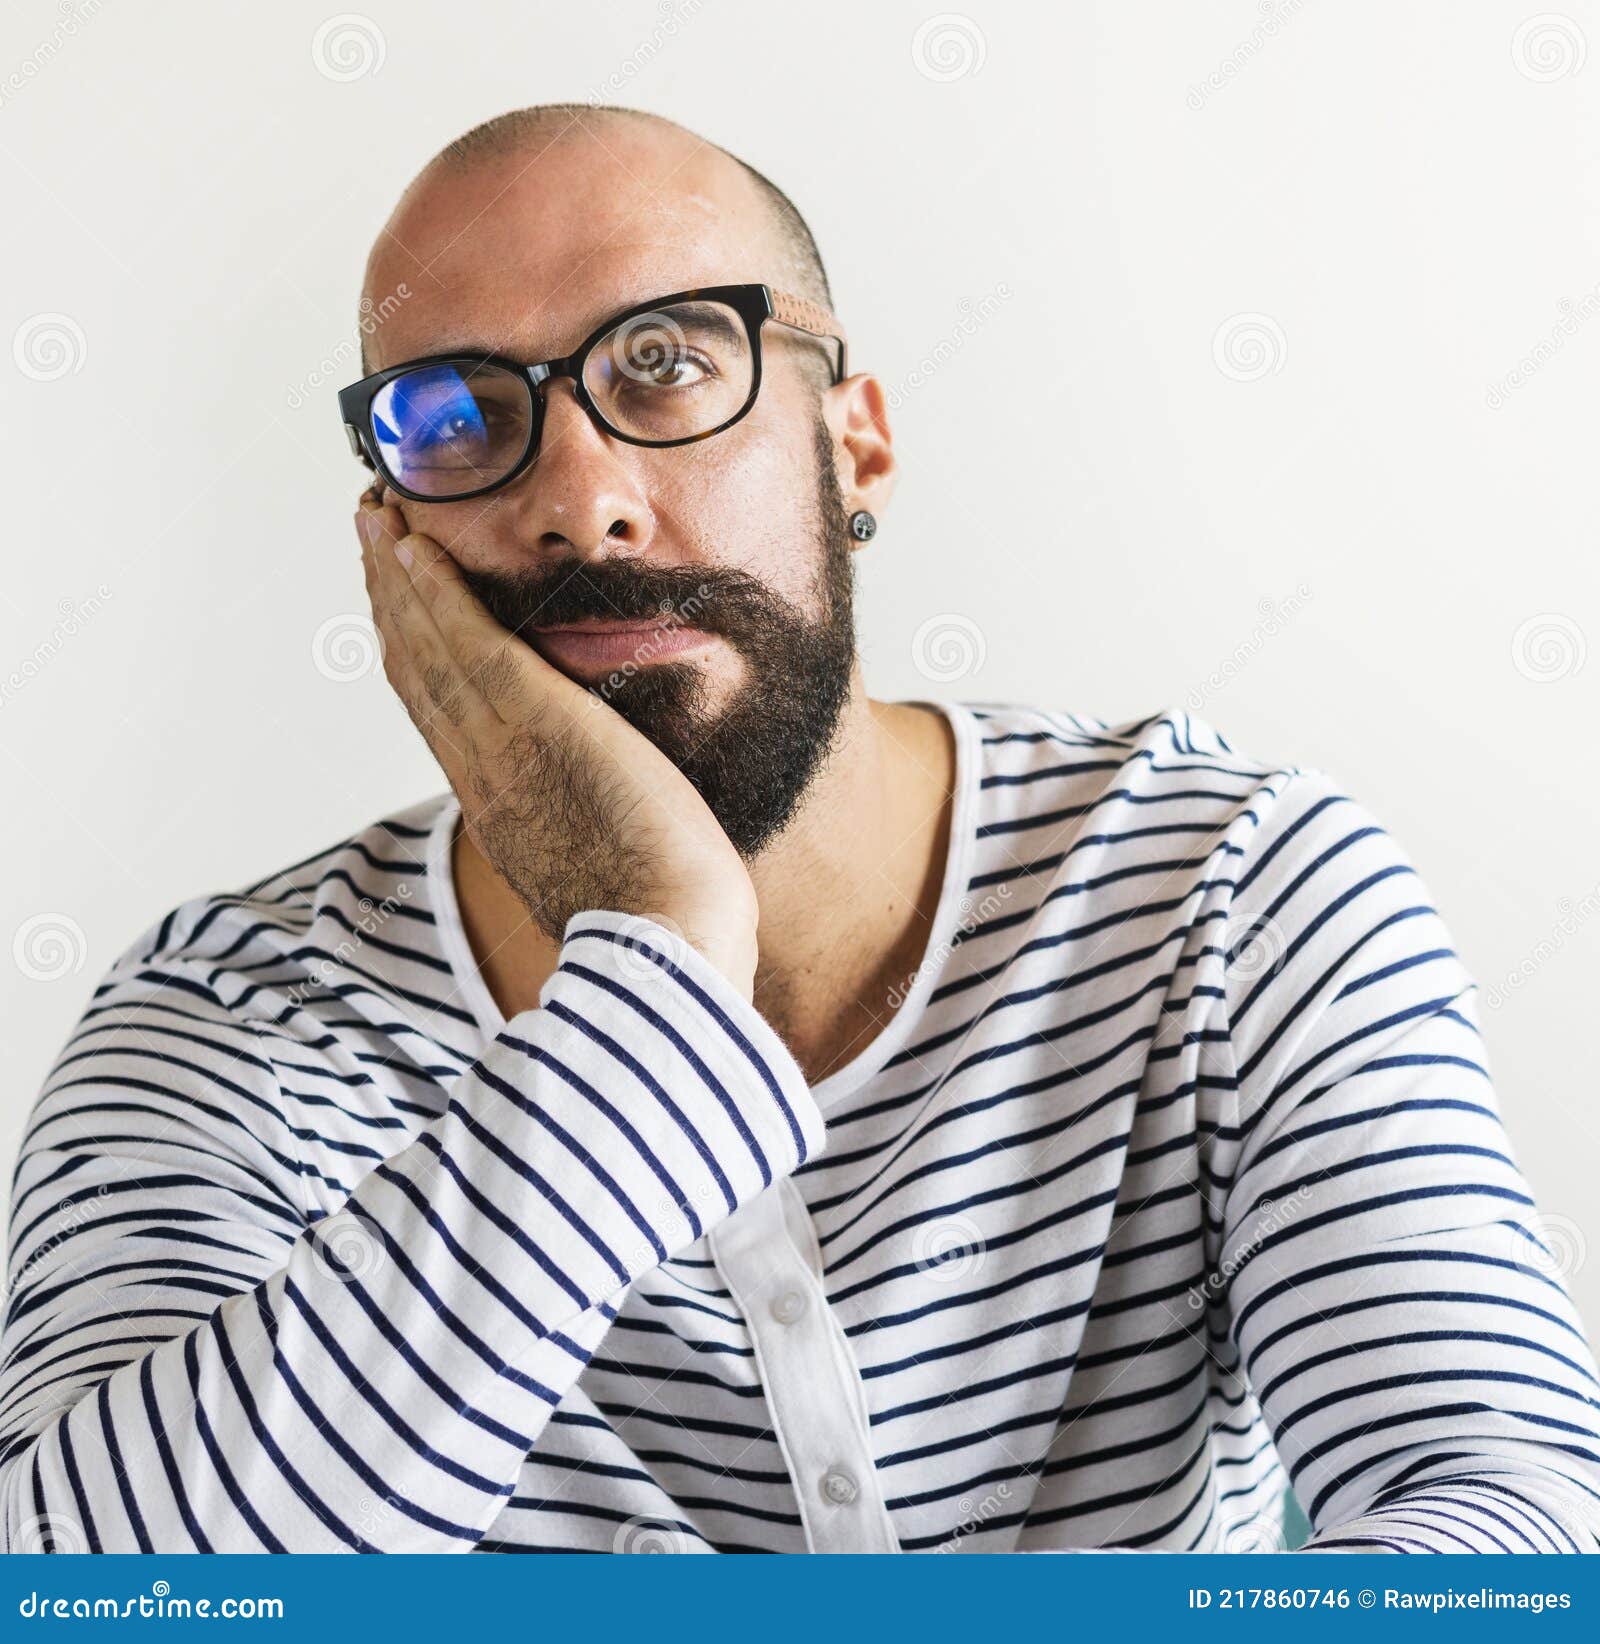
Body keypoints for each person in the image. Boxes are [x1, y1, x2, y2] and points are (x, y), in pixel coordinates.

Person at [4, 105, 1597, 1556]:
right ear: (395, 526)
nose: (585, 501)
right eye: (460, 413)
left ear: (858, 448)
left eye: (667, 363)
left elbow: (1521, 1526)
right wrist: (663, 963)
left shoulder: (1227, 888)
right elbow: (78, 1593)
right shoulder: (225, 1025)